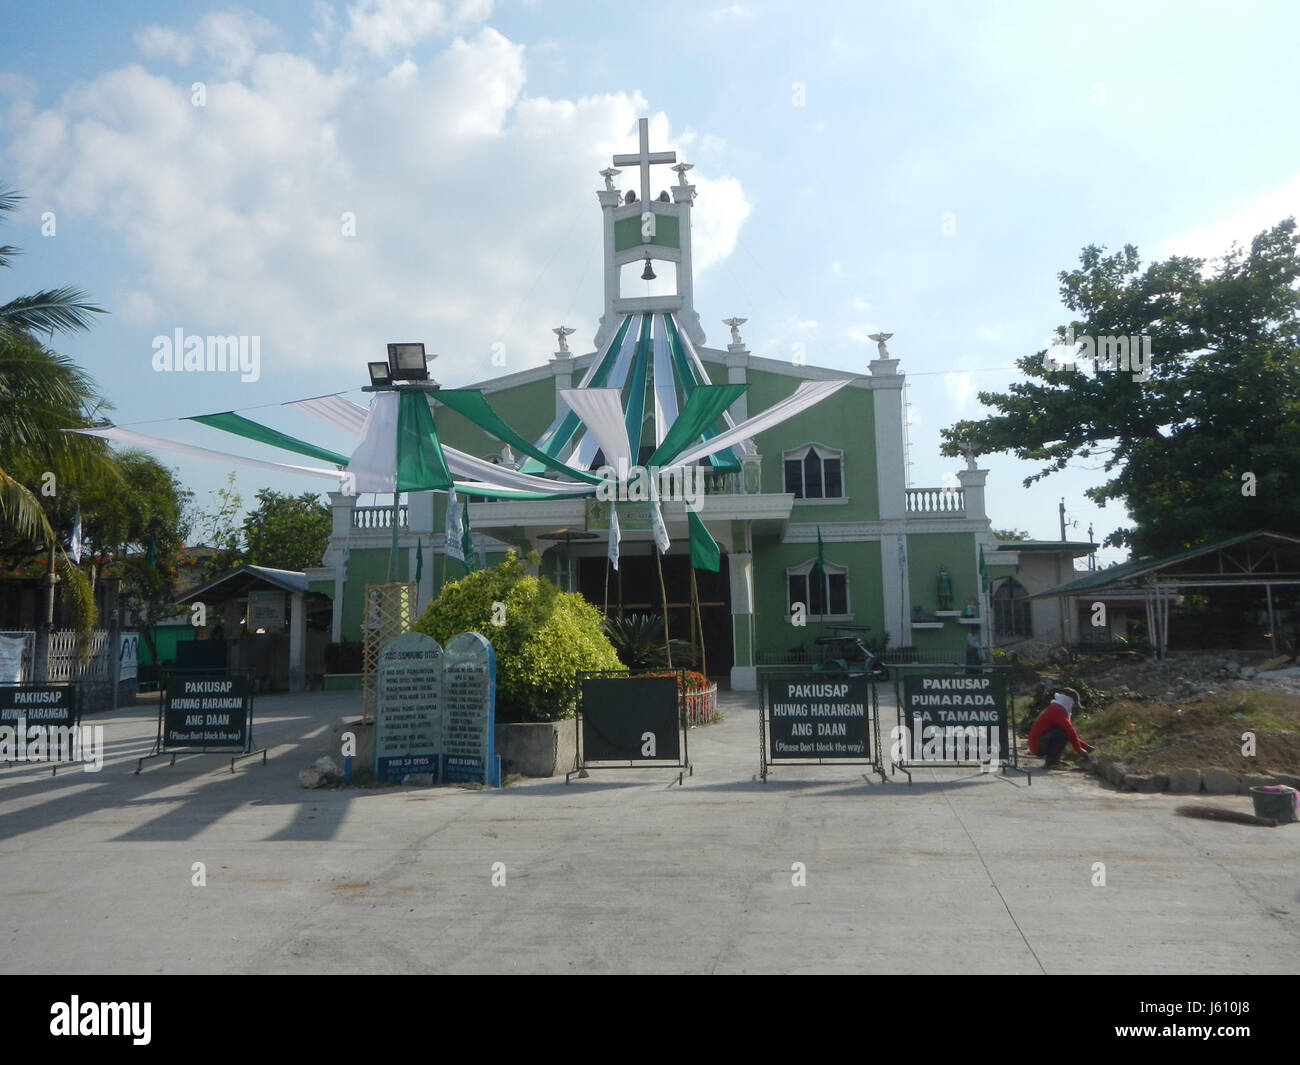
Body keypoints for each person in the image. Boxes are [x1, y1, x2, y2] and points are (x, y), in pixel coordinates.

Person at [1026, 687, 1095, 768]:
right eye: (1073, 704)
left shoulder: (1056, 708)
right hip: (1037, 745)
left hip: (1037, 743)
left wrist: (1085, 746)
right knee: (1061, 734)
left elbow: (1070, 734)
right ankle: (1051, 763)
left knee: (1062, 733)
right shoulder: (1058, 710)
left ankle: (1054, 760)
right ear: (1069, 701)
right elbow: (1069, 731)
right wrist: (1079, 749)